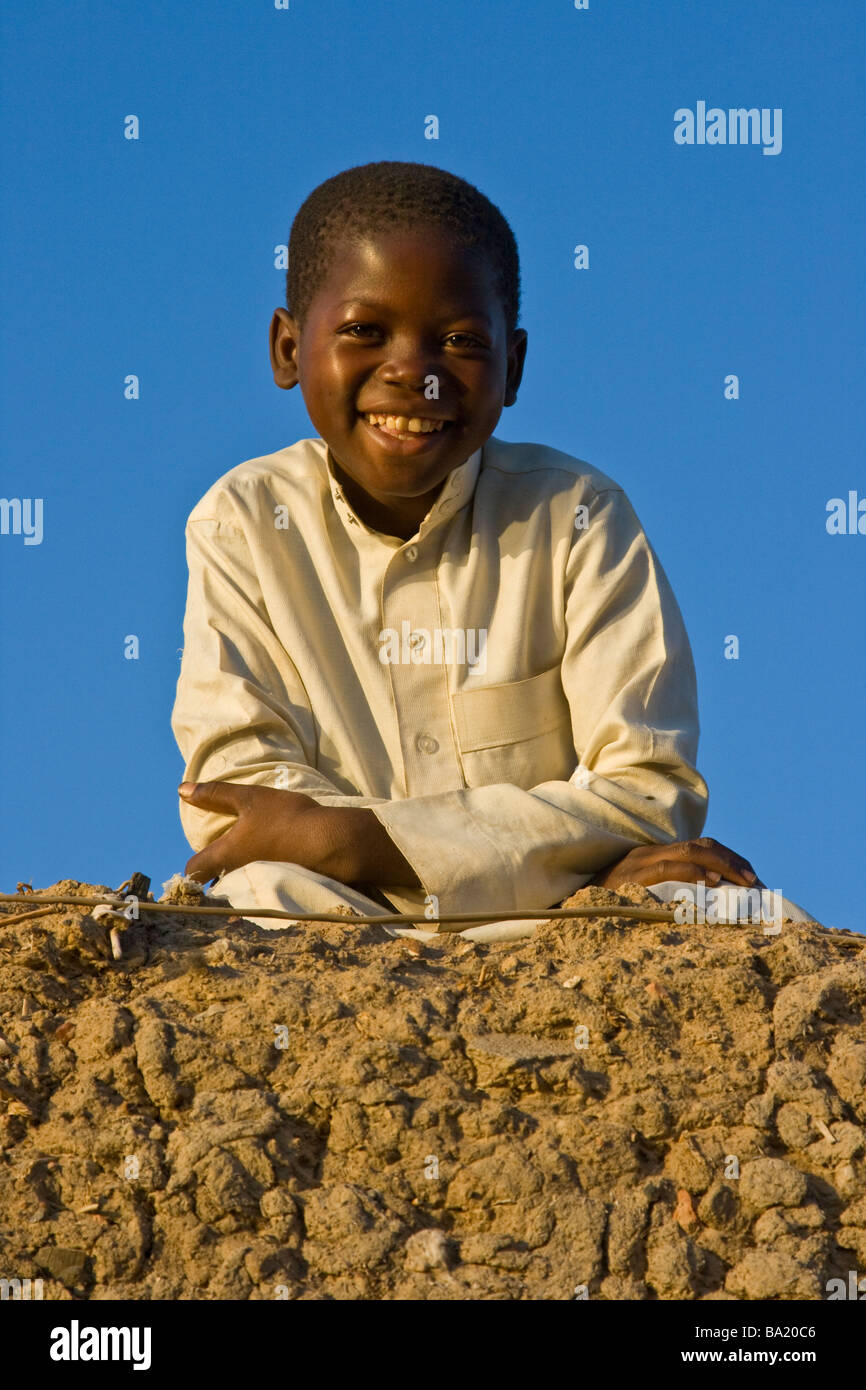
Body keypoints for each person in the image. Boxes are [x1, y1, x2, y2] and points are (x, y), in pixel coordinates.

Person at [170, 160, 806, 941]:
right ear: (287, 348)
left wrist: (347, 838)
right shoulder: (242, 523)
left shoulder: (577, 516)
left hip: (560, 928)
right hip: (339, 924)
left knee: (730, 912)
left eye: (460, 340)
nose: (415, 374)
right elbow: (240, 806)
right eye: (366, 331)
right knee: (257, 893)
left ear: (515, 367)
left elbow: (645, 793)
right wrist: (544, 853)